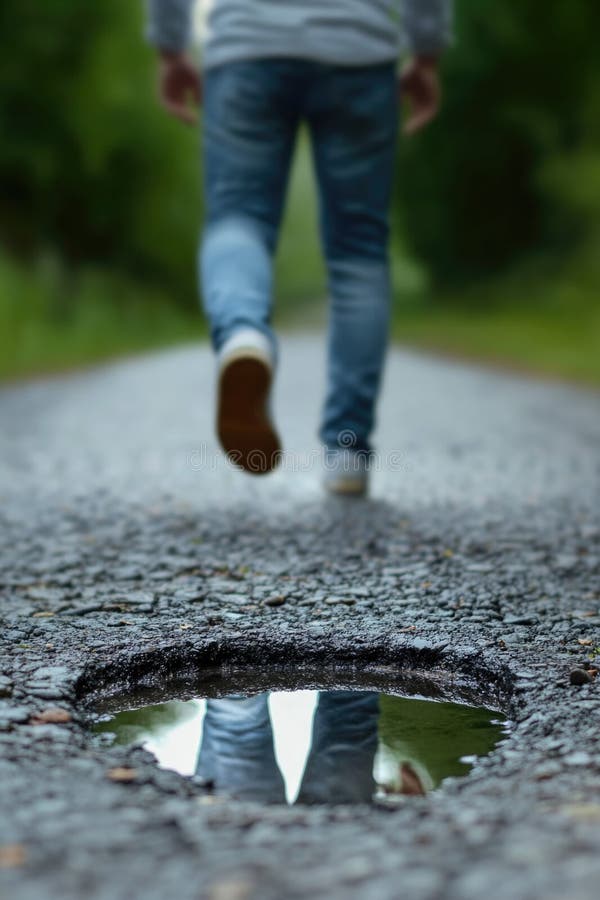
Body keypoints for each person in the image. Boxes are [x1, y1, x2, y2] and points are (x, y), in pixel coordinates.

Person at [146, 0, 452, 494]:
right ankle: (348, 450)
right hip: (359, 50)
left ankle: (243, 336)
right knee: (359, 251)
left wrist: (169, 45)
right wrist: (427, 50)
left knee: (237, 220)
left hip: (246, 46)